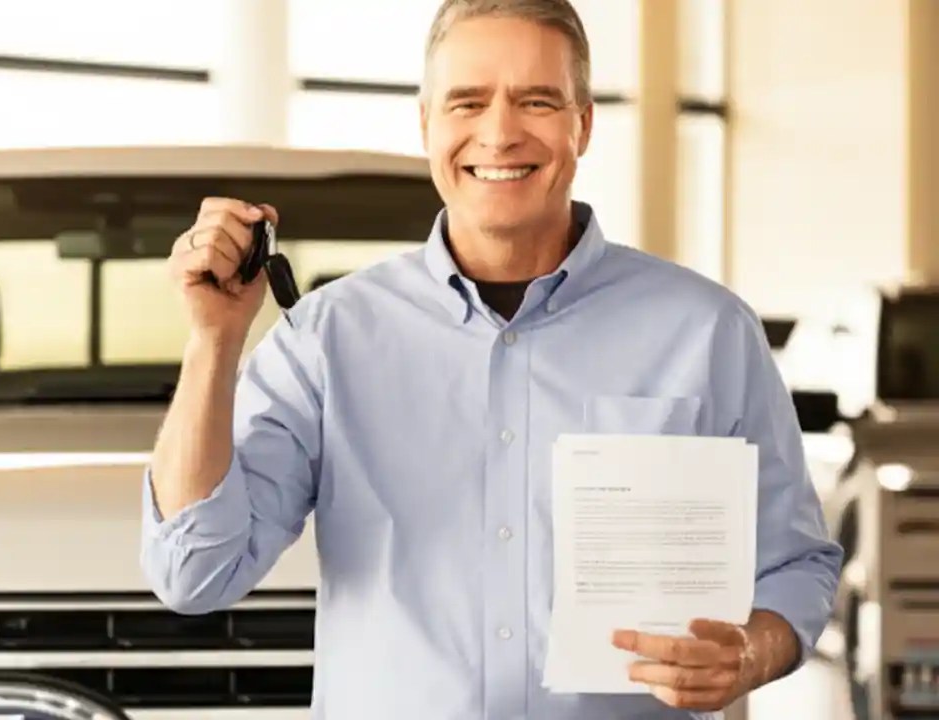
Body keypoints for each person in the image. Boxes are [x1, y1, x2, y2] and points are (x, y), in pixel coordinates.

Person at [139, 0, 843, 717]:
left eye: (536, 101)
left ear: (582, 125)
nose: (500, 133)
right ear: (426, 124)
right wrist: (214, 341)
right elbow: (193, 572)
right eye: (468, 102)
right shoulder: (326, 339)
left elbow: (796, 565)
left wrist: (751, 651)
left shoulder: (708, 331)